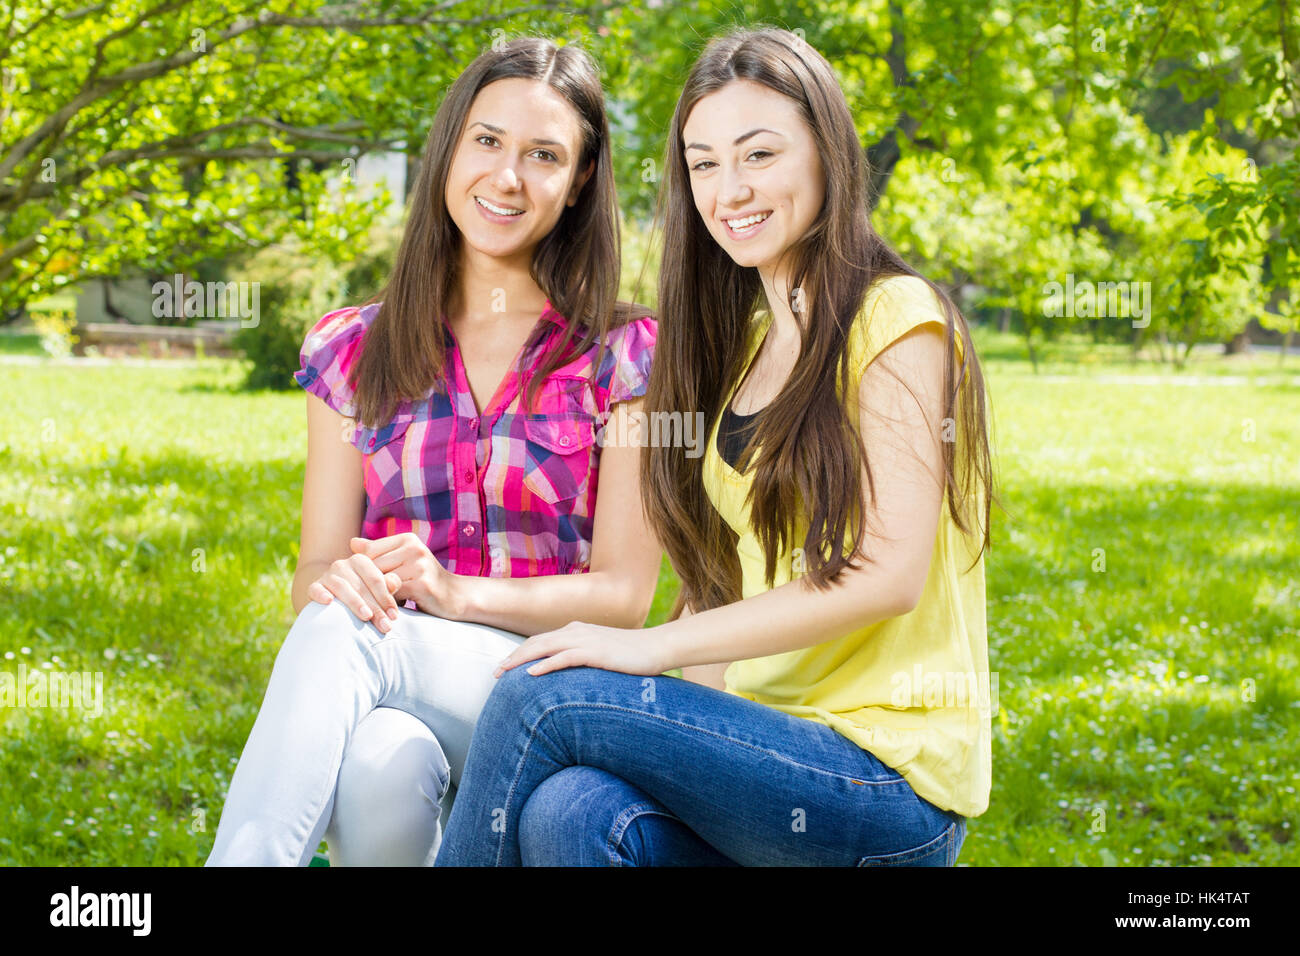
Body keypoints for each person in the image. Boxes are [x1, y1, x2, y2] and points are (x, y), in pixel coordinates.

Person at [434, 26, 1001, 867]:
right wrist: (682, 699)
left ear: (827, 153)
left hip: (883, 783)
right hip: (763, 762)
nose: (729, 190)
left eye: (759, 155)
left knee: (539, 697)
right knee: (568, 812)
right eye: (703, 164)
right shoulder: (746, 352)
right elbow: (722, 590)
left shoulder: (895, 317)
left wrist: (648, 649)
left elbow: (888, 576)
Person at [205, 37, 660, 866]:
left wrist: (453, 594)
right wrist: (340, 583)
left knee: (345, 634)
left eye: (544, 154)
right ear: (450, 148)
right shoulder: (351, 350)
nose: (507, 176)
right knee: (379, 761)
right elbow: (313, 574)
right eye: (487, 140)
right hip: (392, 677)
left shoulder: (624, 356)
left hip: (553, 689)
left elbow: (626, 596)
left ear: (580, 180)